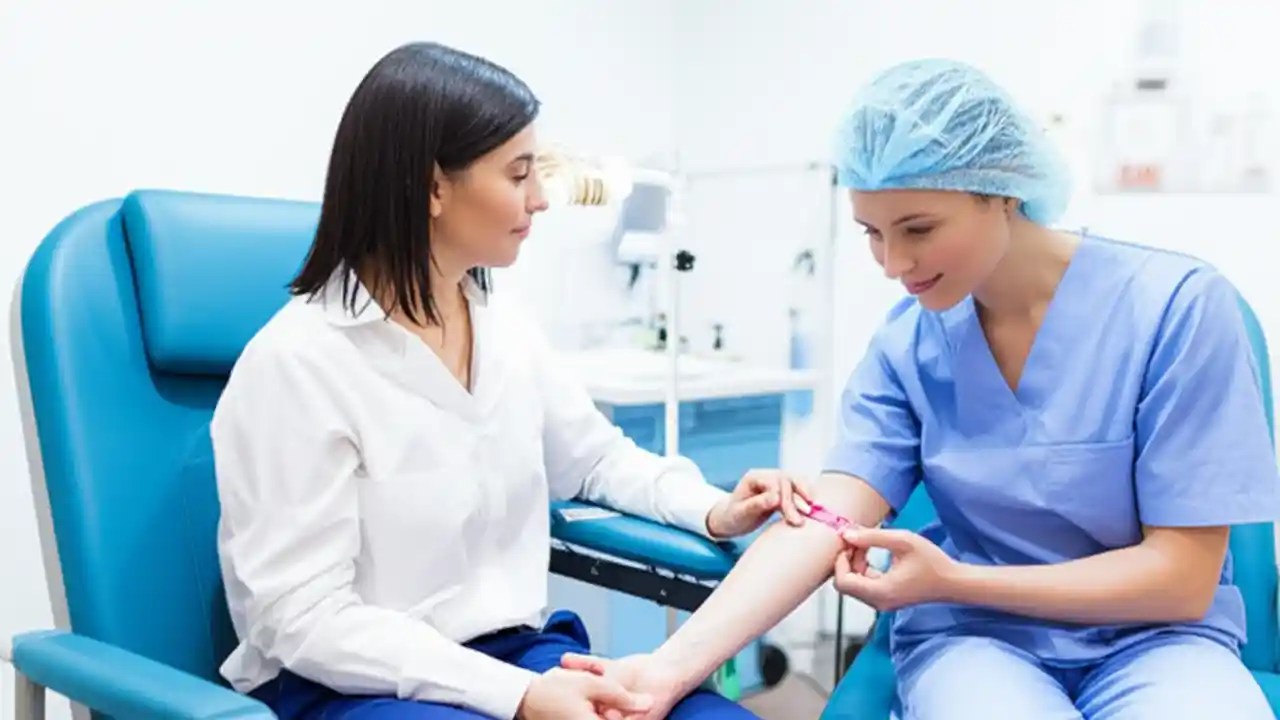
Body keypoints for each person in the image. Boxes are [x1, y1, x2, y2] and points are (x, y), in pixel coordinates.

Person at [562, 59, 1280, 719]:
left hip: (1157, 639)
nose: (892, 262)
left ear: (1003, 192)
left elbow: (1183, 577)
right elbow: (822, 519)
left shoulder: (1177, 309)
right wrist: (666, 668)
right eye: (871, 232)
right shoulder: (909, 344)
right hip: (979, 645)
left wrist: (955, 581)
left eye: (919, 228)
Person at [211, 41, 802, 720]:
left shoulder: (503, 327)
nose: (542, 199)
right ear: (432, 186)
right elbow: (305, 620)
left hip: (516, 655)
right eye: (519, 174)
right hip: (354, 684)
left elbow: (595, 461)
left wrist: (711, 508)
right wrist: (520, 697)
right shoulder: (297, 365)